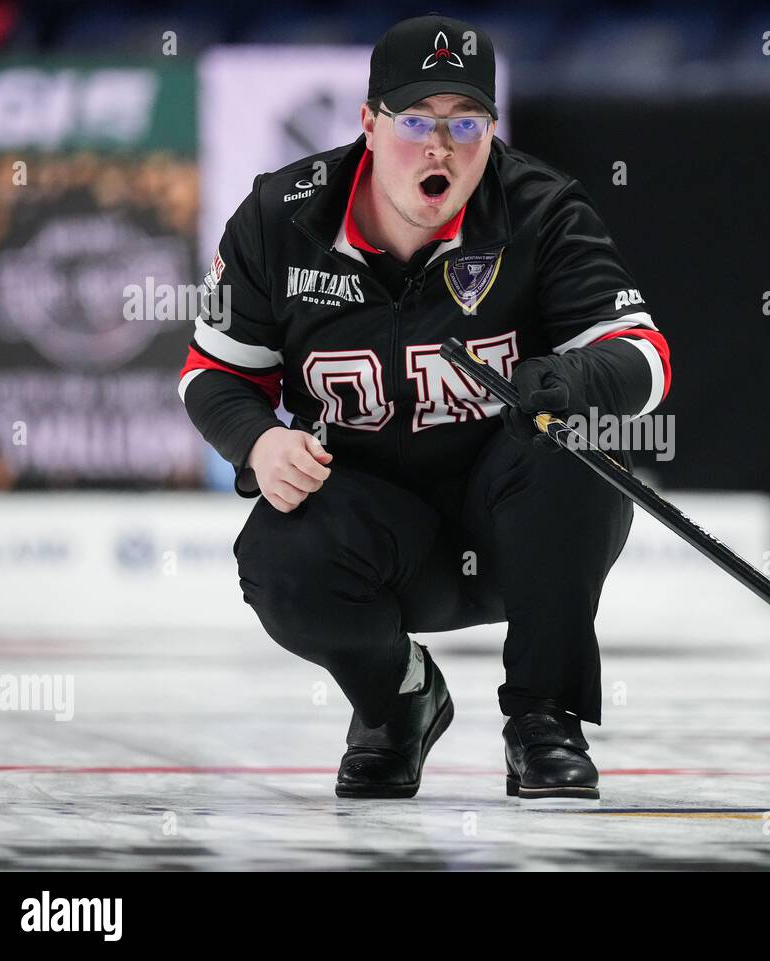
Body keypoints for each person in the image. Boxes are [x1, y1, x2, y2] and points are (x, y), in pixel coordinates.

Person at [177, 14, 671, 800]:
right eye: (416, 121)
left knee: (575, 447)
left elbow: (646, 358)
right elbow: (211, 374)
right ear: (369, 125)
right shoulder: (280, 219)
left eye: (464, 122)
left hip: (518, 532)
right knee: (278, 555)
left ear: (491, 129)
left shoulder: (541, 211)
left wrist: (568, 381)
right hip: (378, 535)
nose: (440, 146)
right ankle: (397, 700)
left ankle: (545, 718)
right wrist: (260, 445)